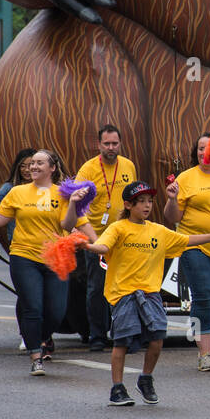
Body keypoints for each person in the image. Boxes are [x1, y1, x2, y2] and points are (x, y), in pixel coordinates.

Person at [90, 181, 210, 405]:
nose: (147, 206)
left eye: (150, 201)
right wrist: (87, 245)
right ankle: (117, 388)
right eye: (141, 202)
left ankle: (145, 379)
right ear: (128, 204)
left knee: (157, 337)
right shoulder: (118, 228)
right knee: (122, 342)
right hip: (123, 294)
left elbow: (187, 240)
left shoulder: (157, 231)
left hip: (151, 293)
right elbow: (103, 247)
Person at [0, 150, 92, 375]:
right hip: (24, 256)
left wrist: (74, 203)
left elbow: (68, 223)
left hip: (55, 259)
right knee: (32, 306)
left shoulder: (64, 194)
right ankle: (36, 354)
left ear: (52, 168)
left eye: (39, 163)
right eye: (32, 163)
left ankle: (39, 336)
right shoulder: (17, 192)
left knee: (56, 310)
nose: (33, 167)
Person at [164, 133, 210, 372]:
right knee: (204, 296)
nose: (203, 153)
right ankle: (204, 353)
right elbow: (172, 218)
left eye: (208, 149)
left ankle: (207, 336)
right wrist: (172, 199)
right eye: (199, 148)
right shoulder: (186, 178)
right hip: (194, 245)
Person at [74, 125, 136, 353]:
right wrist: (95, 242)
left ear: (121, 143)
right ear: (99, 144)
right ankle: (97, 335)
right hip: (97, 237)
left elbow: (134, 201)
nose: (111, 148)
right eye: (106, 144)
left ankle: (123, 333)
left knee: (126, 288)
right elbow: (77, 208)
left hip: (124, 237)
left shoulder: (128, 165)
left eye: (115, 143)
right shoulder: (88, 170)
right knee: (97, 287)